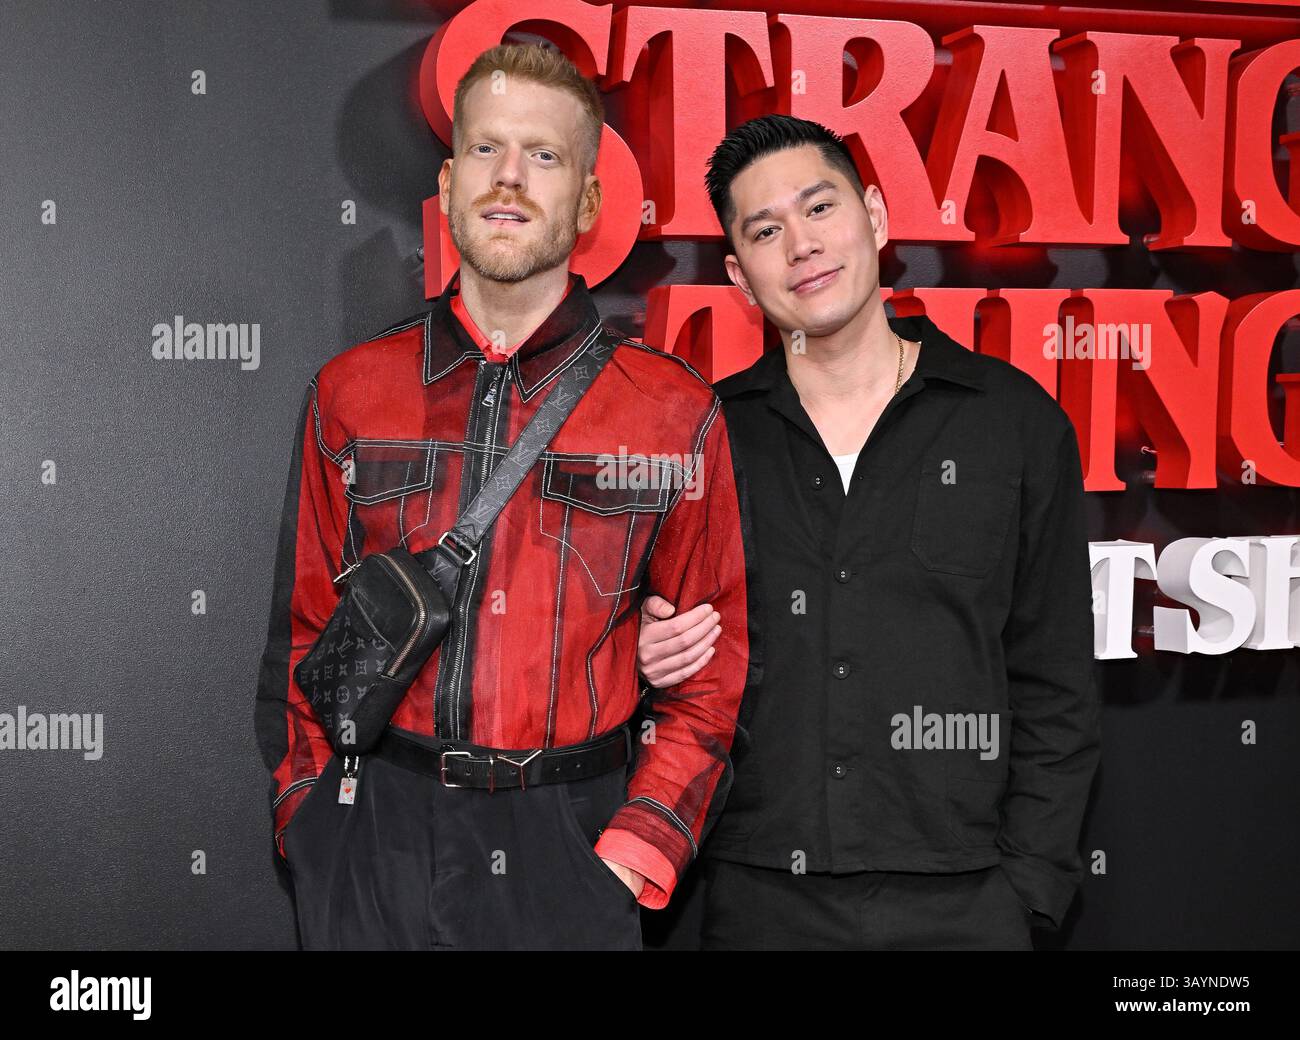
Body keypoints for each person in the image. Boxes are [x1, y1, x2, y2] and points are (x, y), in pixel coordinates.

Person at [254, 42, 748, 951]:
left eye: (545, 155)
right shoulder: (351, 392)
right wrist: (313, 820)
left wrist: (637, 849)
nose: (509, 177)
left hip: (569, 843)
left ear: (589, 201)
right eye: (486, 150)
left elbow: (712, 683)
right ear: (447, 183)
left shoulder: (673, 413)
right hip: (376, 840)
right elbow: (302, 633)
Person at [637, 114, 1100, 950]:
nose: (803, 246)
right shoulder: (706, 438)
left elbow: (1055, 681)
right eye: (767, 231)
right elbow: (652, 648)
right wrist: (642, 643)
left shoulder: (1014, 423)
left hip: (966, 902)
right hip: (756, 895)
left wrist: (1027, 893)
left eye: (821, 209)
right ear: (742, 278)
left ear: (877, 218)